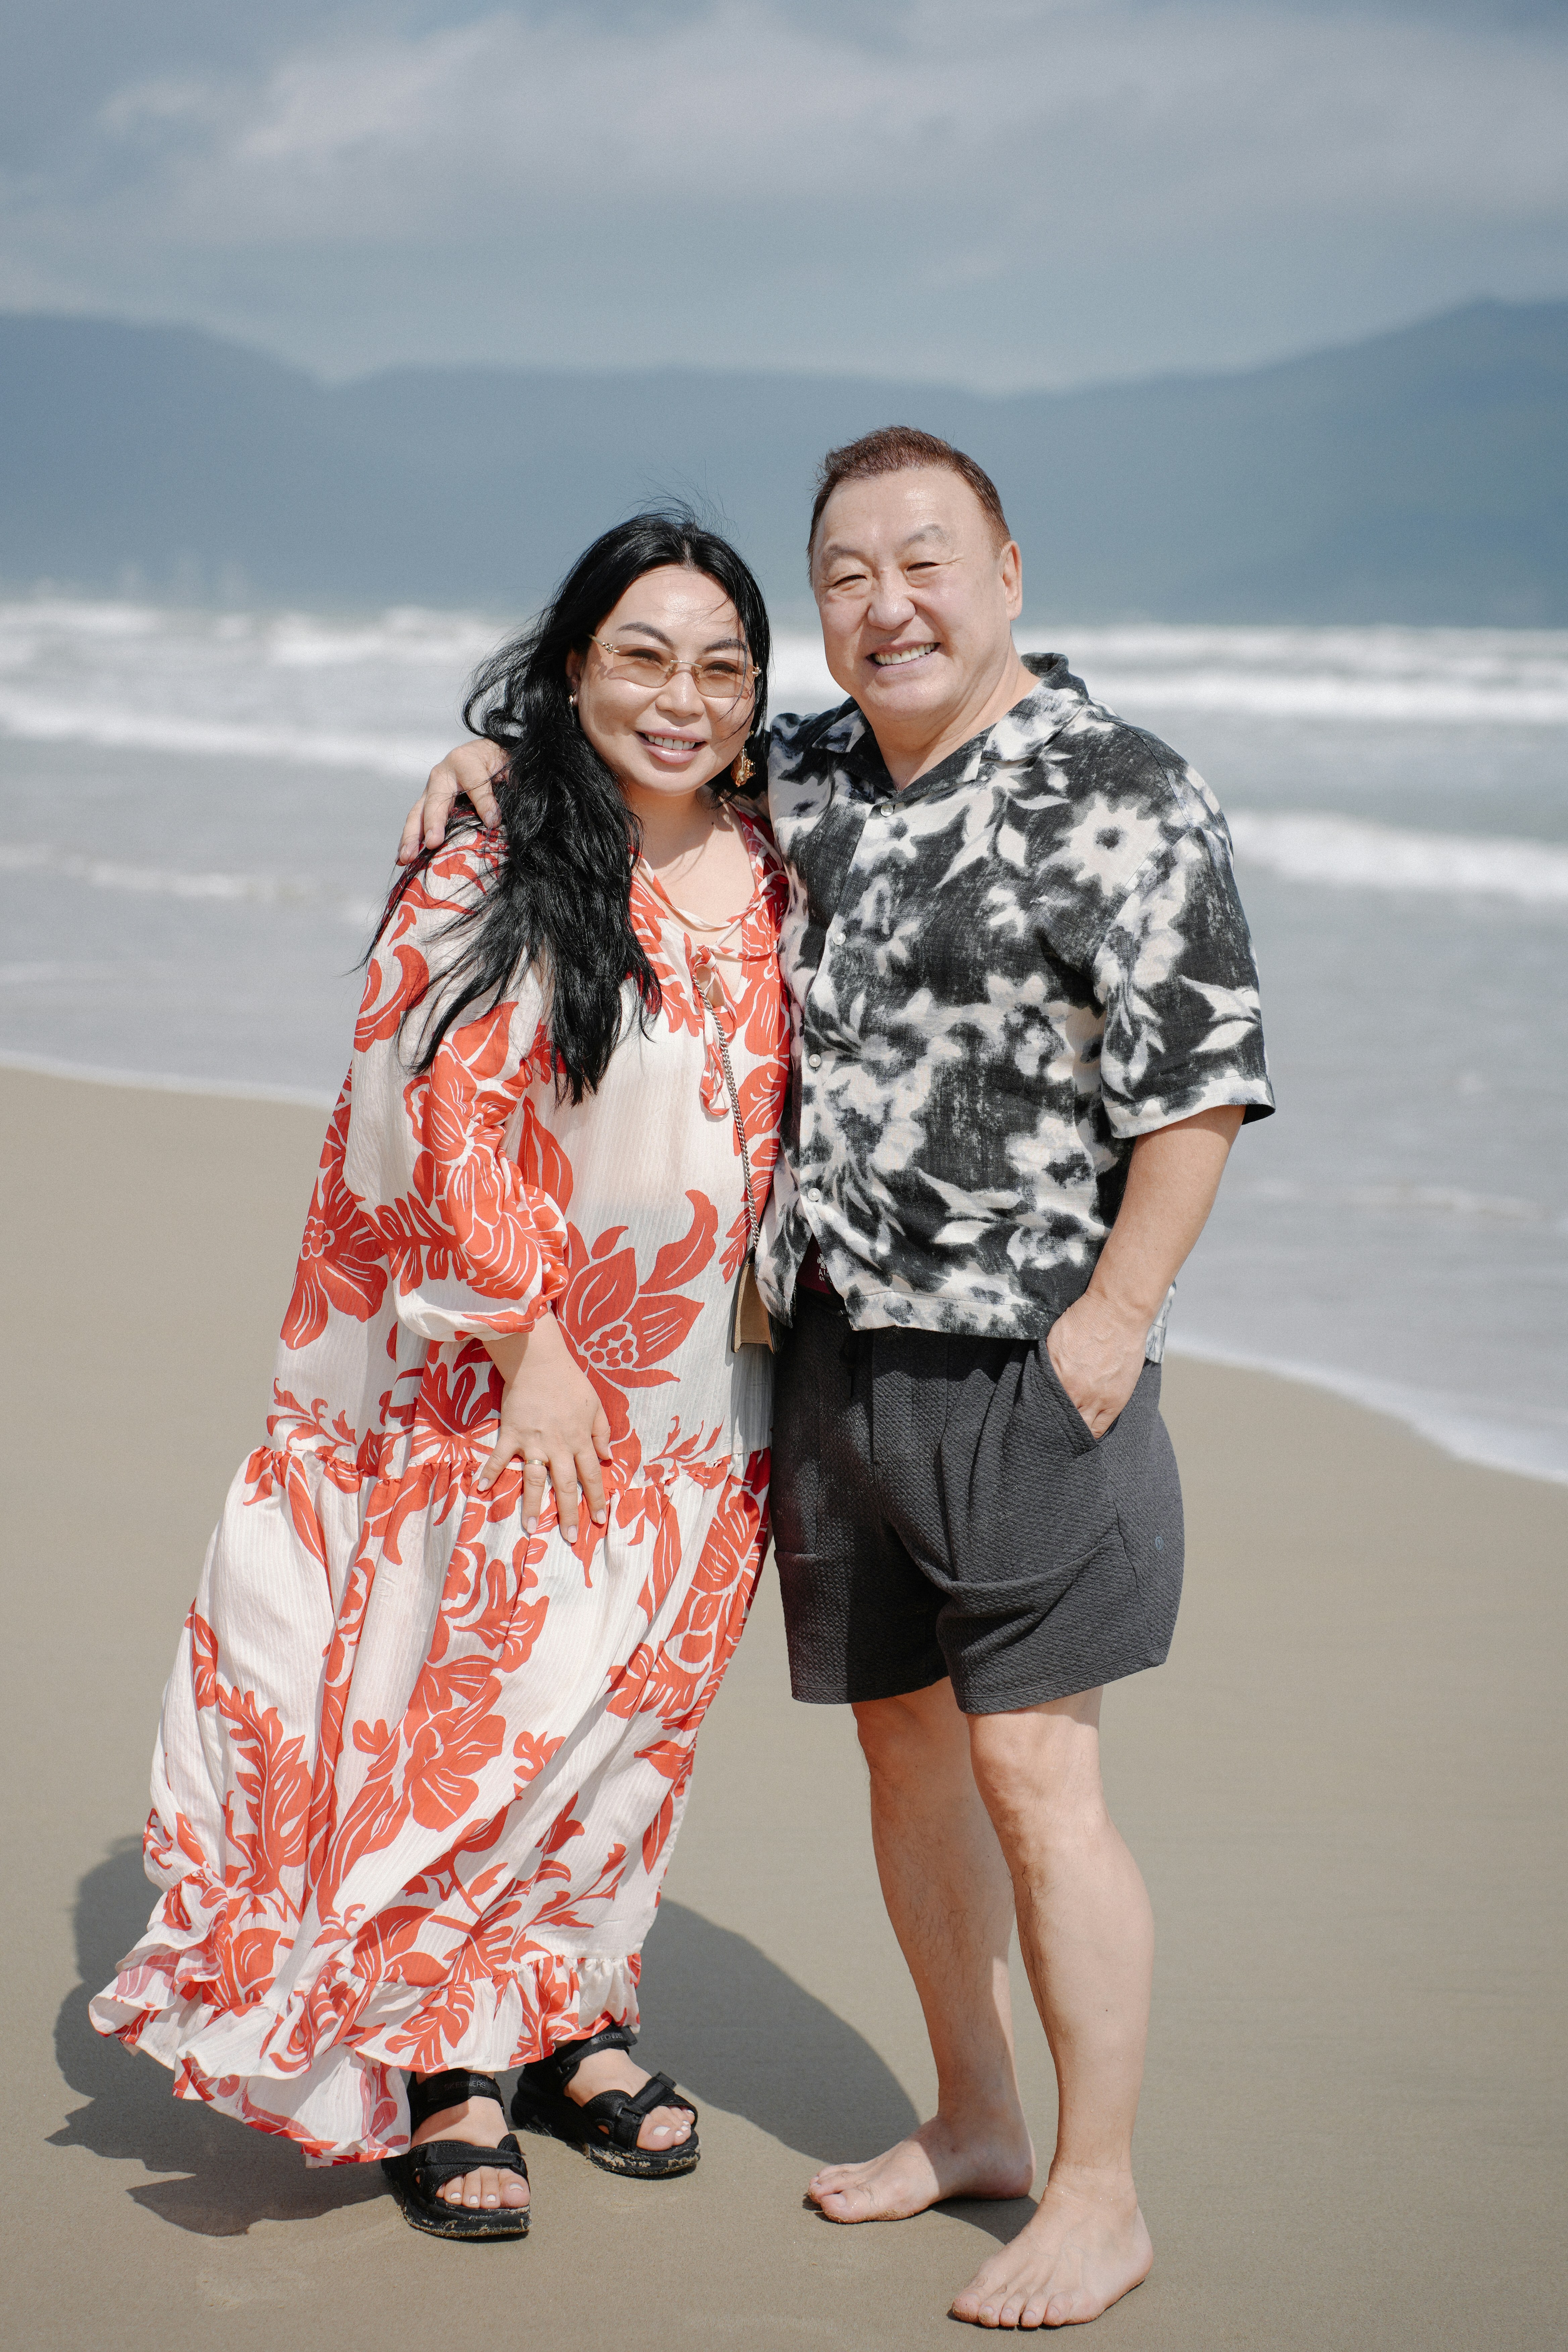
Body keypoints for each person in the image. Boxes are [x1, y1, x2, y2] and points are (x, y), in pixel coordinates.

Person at [412, 428, 1275, 2327]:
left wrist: (1115, 1318)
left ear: (1010, 574)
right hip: (827, 1355)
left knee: (1041, 1778)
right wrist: (482, 755)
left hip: (1034, 1372)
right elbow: (636, 737)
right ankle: (972, 2120)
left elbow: (1201, 1081)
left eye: (927, 562)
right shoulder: (808, 774)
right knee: (904, 1756)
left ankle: (1100, 2190)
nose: (888, 604)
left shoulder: (1121, 793)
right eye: (849, 574)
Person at [92, 512, 790, 2241]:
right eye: (641, 655)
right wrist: (531, 1343)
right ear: (573, 670)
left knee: (629, 1718)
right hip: (522, 1382)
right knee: (483, 1715)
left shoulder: (782, 855)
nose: (681, 697)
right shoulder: (490, 858)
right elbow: (435, 1104)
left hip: (708, 1388)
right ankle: (439, 2062)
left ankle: (561, 2014)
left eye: (720, 665)